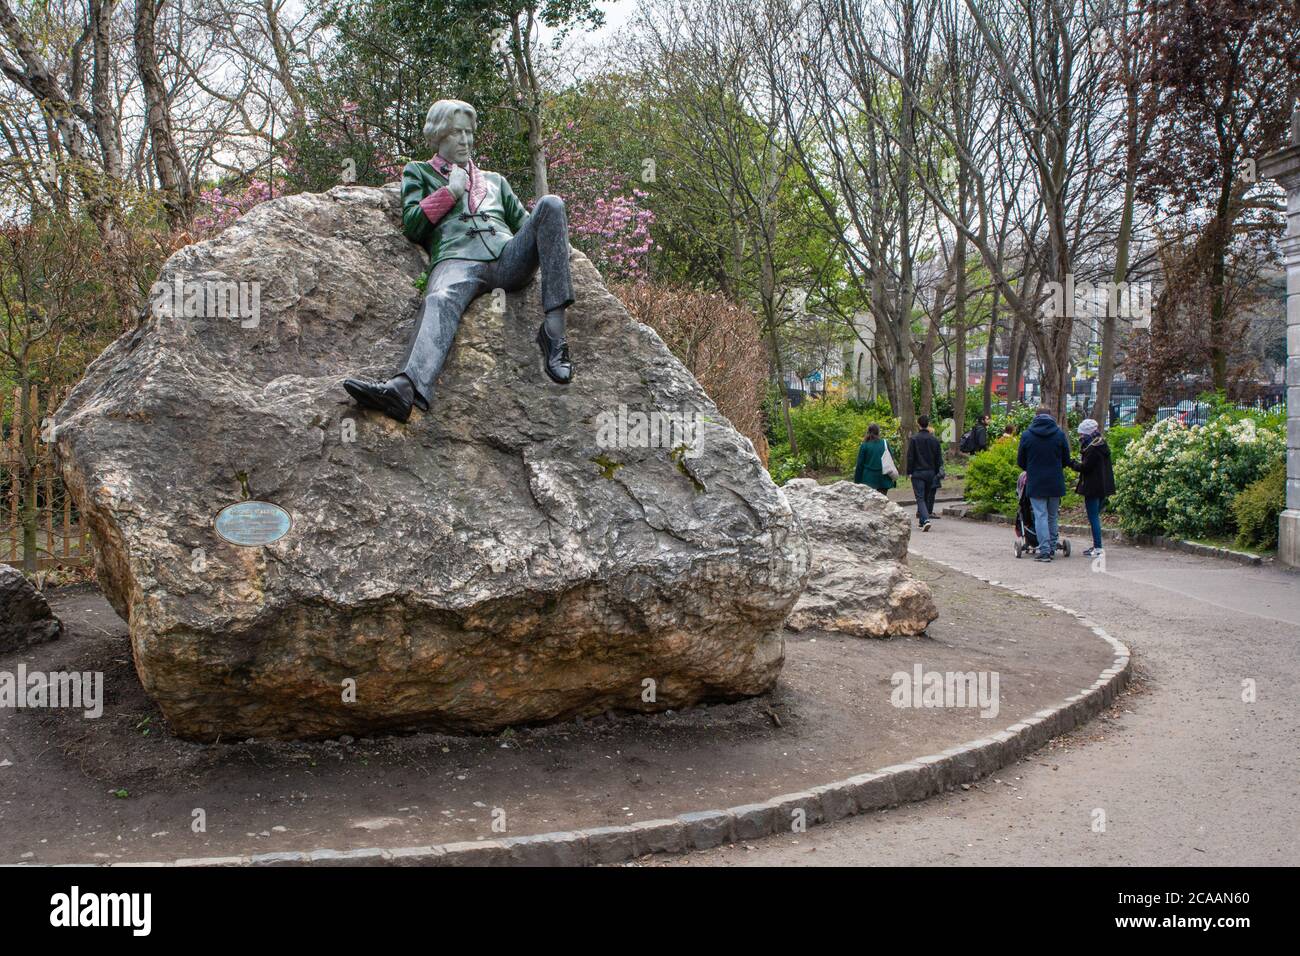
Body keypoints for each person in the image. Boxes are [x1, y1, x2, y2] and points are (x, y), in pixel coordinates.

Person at [343, 99, 574, 423]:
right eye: (455, 134)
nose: (465, 141)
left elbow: (526, 224)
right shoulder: (418, 172)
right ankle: (404, 389)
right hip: (456, 260)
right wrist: (449, 192)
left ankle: (554, 333)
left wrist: (555, 247)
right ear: (438, 136)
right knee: (439, 298)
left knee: (551, 204)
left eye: (468, 133)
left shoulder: (495, 181)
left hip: (507, 257)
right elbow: (412, 225)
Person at [1017, 405, 1070, 562]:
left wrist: (1032, 468)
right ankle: (1052, 548)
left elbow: (1021, 461)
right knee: (1052, 516)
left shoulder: (1027, 435)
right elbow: (1066, 459)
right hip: (1055, 481)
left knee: (1040, 515)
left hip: (1036, 481)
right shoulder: (1059, 434)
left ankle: (1045, 551)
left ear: (1035, 416)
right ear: (1051, 416)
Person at [1070, 418, 1116, 557]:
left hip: (1092, 487)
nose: (1080, 437)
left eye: (1082, 434)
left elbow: (1085, 467)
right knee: (1095, 516)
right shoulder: (1101, 444)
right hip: (1103, 486)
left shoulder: (1092, 448)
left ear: (1087, 433)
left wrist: (1071, 463)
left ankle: (1098, 548)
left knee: (1093, 517)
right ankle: (1097, 546)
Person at [906, 415, 943, 531]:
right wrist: (936, 472)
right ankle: (922, 522)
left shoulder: (914, 439)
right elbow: (938, 459)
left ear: (918, 424)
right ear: (928, 424)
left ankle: (926, 519)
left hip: (918, 473)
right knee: (926, 497)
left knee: (920, 498)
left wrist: (909, 471)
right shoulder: (935, 440)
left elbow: (910, 457)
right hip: (931, 472)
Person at [853, 423, 897, 493]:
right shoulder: (885, 443)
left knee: (869, 502)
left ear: (868, 432)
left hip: (868, 479)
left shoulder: (864, 445)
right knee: (882, 501)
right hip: (883, 478)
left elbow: (859, 465)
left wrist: (857, 481)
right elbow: (891, 459)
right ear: (878, 432)